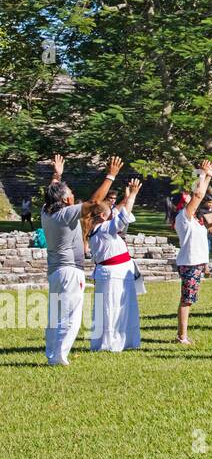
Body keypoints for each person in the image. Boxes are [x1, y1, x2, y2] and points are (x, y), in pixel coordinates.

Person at [41, 155, 120, 366]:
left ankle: (53, 353)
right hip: (70, 271)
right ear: (66, 200)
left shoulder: (46, 212)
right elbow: (94, 203)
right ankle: (59, 357)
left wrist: (57, 174)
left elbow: (52, 192)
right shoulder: (66, 214)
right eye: (71, 194)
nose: (74, 196)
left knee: (55, 314)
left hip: (56, 272)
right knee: (71, 315)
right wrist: (110, 176)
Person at [86, 177, 144, 352]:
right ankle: (112, 342)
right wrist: (133, 196)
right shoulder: (104, 229)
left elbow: (120, 213)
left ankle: (125, 340)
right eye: (110, 212)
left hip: (113, 272)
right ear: (103, 216)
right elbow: (122, 219)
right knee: (114, 308)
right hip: (114, 274)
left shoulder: (96, 229)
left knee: (115, 307)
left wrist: (126, 198)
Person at [173, 159, 212, 344]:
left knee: (189, 299)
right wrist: (203, 175)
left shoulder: (193, 220)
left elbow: (197, 195)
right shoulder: (183, 217)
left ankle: (181, 334)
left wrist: (207, 177)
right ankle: (182, 336)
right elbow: (198, 195)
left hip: (196, 262)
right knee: (187, 300)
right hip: (189, 263)